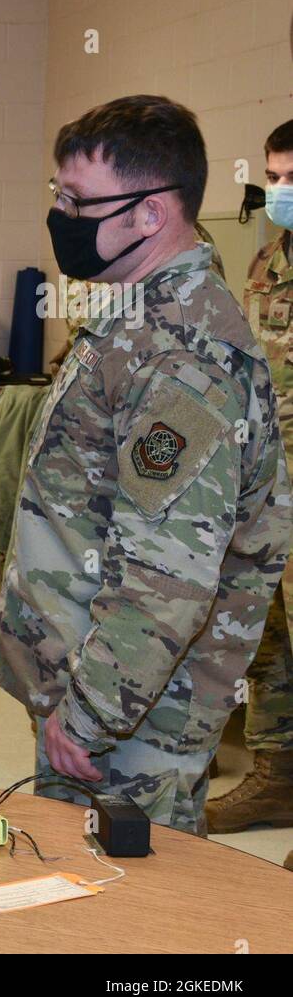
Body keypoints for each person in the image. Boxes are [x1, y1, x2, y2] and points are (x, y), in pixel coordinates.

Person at [0, 96, 290, 836]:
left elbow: (167, 579)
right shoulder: (142, 314)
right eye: (57, 195)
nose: (61, 216)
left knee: (120, 912)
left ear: (150, 214)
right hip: (101, 696)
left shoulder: (186, 353)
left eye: (78, 201)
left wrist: (89, 718)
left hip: (131, 726)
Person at [206, 118, 293, 868]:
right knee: (266, 638)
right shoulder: (267, 263)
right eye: (275, 180)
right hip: (269, 483)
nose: (281, 194)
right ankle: (275, 775)